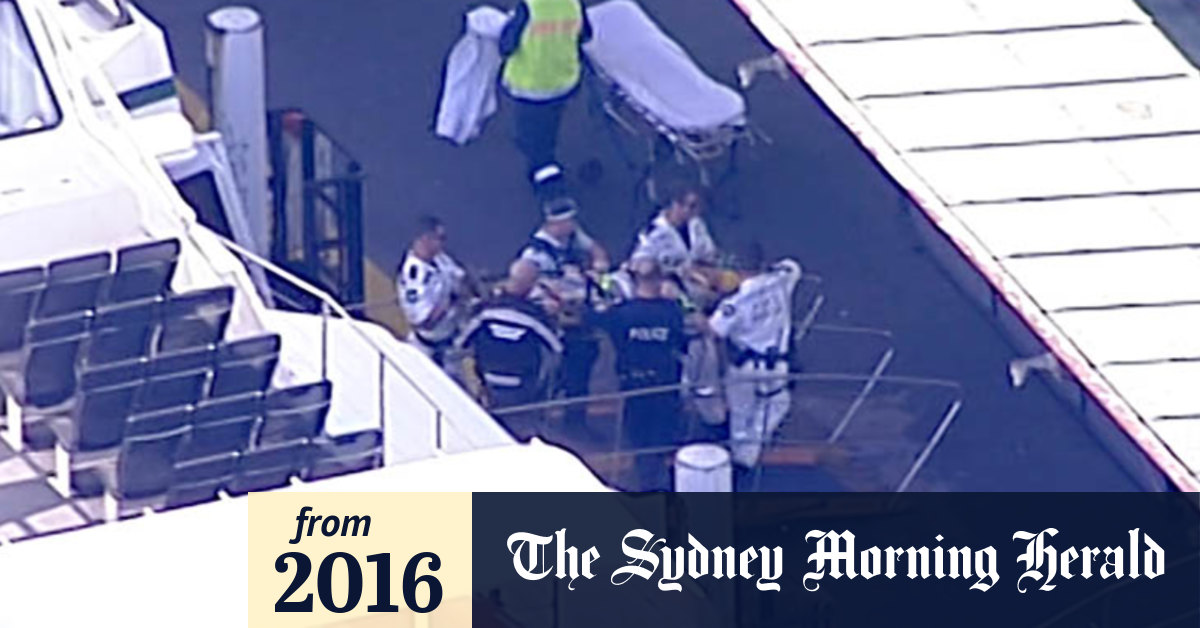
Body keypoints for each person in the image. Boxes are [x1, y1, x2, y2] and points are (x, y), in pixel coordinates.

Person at [592, 257, 686, 491]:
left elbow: (594, 312)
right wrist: (680, 297)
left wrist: (601, 280)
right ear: (661, 279)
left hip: (633, 384)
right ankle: (664, 484)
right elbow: (691, 321)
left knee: (639, 440)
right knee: (664, 439)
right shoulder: (673, 311)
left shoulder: (621, 313)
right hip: (666, 385)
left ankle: (644, 486)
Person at [518, 196, 610, 436]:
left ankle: (575, 418)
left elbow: (594, 249)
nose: (573, 226)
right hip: (558, 325)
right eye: (568, 221)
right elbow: (532, 290)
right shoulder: (536, 254)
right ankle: (556, 422)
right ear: (555, 223)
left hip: (579, 314)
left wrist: (599, 265)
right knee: (564, 376)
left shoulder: (571, 237)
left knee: (582, 372)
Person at [707, 245, 802, 470]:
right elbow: (792, 266)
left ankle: (742, 460)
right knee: (777, 404)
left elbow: (714, 330)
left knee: (740, 414)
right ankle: (750, 450)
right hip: (776, 365)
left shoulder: (734, 302)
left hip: (744, 367)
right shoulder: (781, 281)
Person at [457, 259, 563, 441]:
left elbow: (461, 343)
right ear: (530, 285)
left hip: (487, 384)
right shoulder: (534, 317)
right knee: (519, 433)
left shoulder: (485, 311)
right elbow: (557, 348)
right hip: (522, 387)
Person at [499, 0, 593, 191]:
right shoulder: (573, 3)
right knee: (550, 125)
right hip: (562, 82)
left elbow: (506, 45)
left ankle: (547, 182)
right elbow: (586, 35)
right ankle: (546, 162)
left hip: (531, 85)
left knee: (531, 137)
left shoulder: (529, 6)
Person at [397, 215, 470, 368]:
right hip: (430, 351)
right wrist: (451, 302)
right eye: (440, 238)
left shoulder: (441, 259)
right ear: (425, 239)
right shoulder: (413, 275)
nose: (443, 243)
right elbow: (425, 322)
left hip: (451, 343)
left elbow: (460, 277)